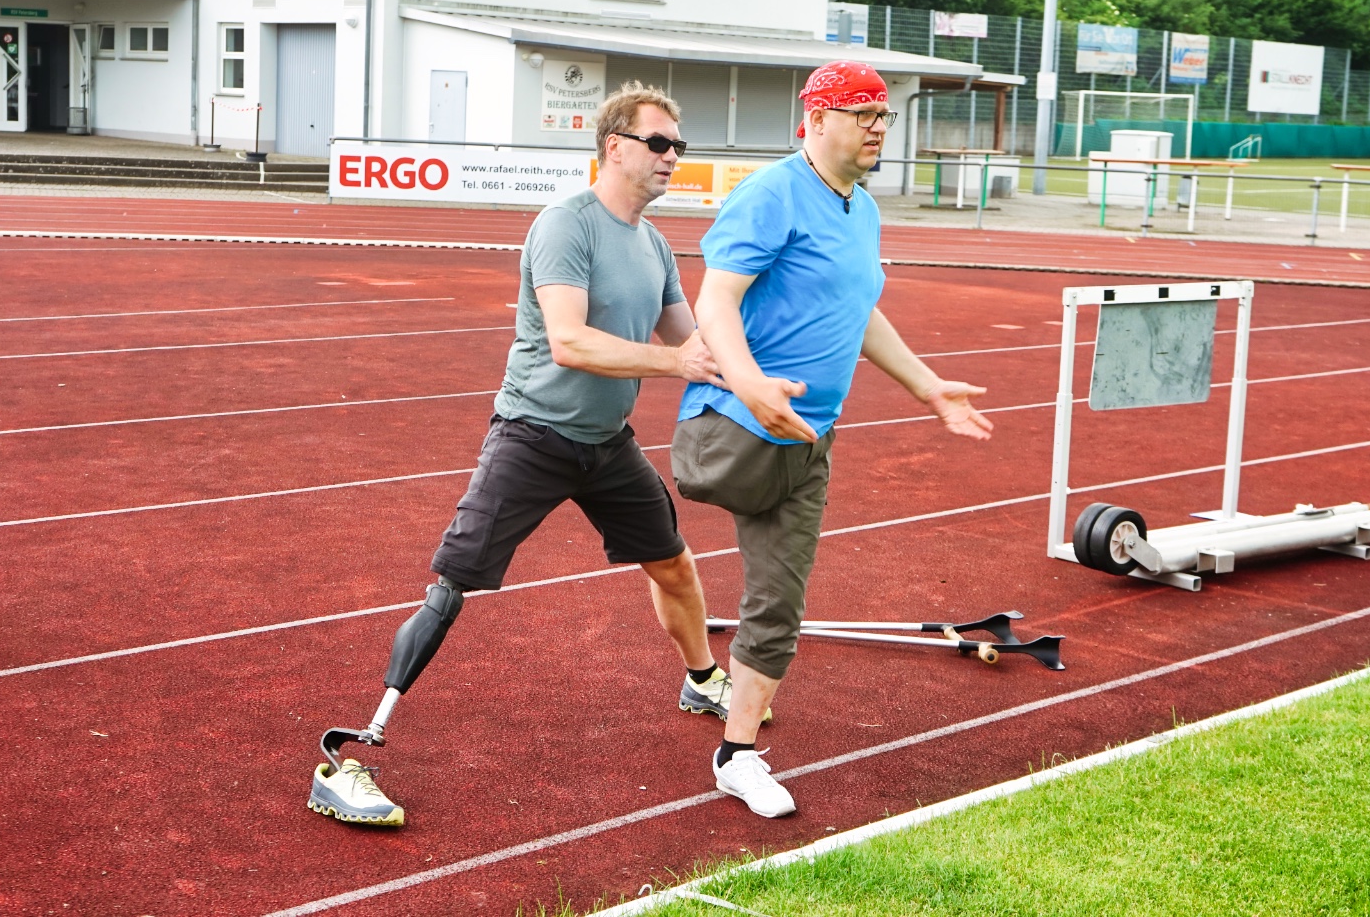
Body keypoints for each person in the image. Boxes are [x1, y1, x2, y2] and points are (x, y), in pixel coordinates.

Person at [312, 83, 730, 827]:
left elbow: (692, 343)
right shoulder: (565, 225)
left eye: (680, 146)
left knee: (671, 559)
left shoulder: (655, 244)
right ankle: (354, 751)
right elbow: (570, 341)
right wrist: (680, 367)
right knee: (453, 585)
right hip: (533, 436)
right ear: (616, 147)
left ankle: (702, 678)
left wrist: (758, 375)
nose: (674, 158)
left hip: (606, 446)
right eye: (660, 143)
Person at [672, 61, 994, 818]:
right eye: (860, 112)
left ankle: (737, 753)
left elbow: (862, 310)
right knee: (668, 531)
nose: (878, 125)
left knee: (779, 604)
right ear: (814, 120)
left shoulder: (862, 209)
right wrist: (746, 382)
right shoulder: (770, 193)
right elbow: (714, 297)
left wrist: (925, 386)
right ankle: (654, 555)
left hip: (809, 439)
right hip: (732, 426)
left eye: (882, 113)